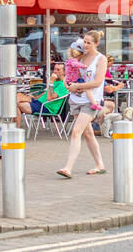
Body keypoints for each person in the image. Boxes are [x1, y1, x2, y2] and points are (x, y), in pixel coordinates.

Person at [58, 30, 107, 178]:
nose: (85, 45)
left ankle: (68, 167)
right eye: (84, 41)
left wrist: (77, 87)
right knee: (88, 133)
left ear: (96, 44)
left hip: (91, 101)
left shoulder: (101, 59)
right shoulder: (79, 56)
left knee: (76, 131)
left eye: (88, 43)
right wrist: (67, 83)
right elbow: (70, 73)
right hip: (76, 99)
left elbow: (98, 82)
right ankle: (100, 165)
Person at [16, 62, 67, 129]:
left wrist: (51, 82)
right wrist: (35, 97)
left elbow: (50, 98)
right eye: (54, 69)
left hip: (46, 107)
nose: (55, 71)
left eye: (58, 70)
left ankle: (16, 129)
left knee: (16, 105)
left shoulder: (63, 85)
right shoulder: (55, 81)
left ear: (64, 72)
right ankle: (15, 130)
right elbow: (45, 94)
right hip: (39, 103)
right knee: (18, 96)